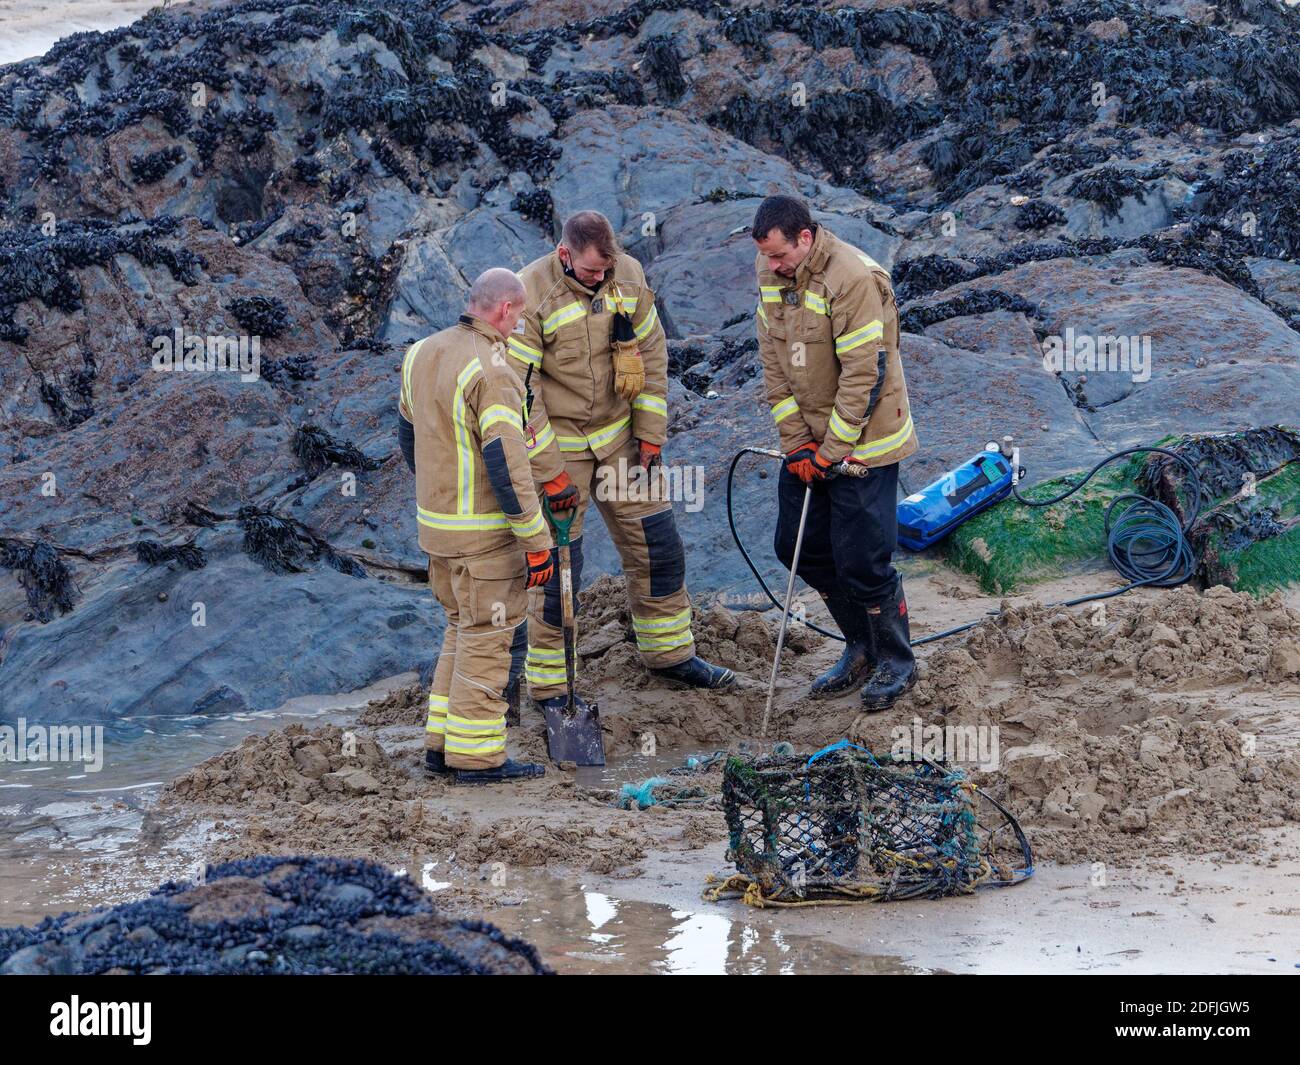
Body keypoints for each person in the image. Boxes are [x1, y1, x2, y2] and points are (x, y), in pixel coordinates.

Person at [507, 210, 736, 715]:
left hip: (622, 442)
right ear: (564, 255)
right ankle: (550, 689)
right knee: (560, 573)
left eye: (606, 270)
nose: (601, 279)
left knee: (658, 546)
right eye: (591, 272)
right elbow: (522, 397)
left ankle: (670, 653)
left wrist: (651, 437)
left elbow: (653, 355)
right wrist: (550, 473)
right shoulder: (531, 296)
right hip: (561, 446)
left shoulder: (627, 274)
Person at [751, 195, 919, 710]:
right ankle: (860, 646)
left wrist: (830, 453)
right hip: (811, 439)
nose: (771, 266)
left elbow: (864, 377)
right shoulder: (772, 268)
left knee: (863, 561)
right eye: (766, 257)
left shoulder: (853, 279)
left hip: (865, 442)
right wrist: (797, 444)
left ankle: (896, 660)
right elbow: (774, 363)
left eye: (779, 256)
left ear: (805, 237)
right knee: (798, 548)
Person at [396, 268, 552, 782]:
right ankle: (477, 757)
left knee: (459, 630)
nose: (520, 326)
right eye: (520, 316)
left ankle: (439, 746)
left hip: (436, 531)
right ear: (505, 310)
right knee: (488, 637)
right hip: (484, 536)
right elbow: (508, 468)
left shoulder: (420, 353)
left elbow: (408, 436)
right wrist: (537, 541)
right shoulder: (494, 371)